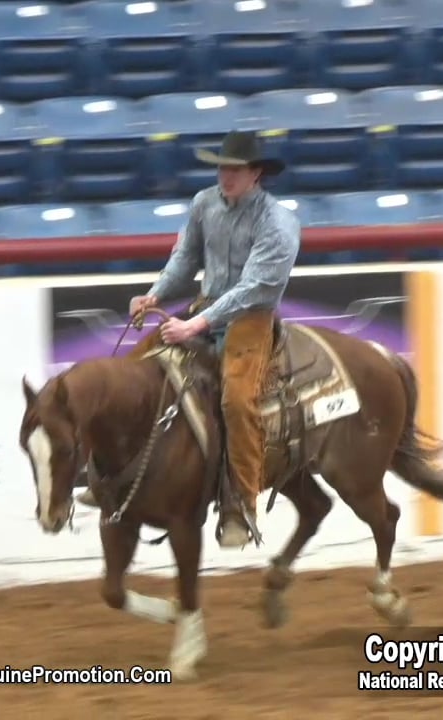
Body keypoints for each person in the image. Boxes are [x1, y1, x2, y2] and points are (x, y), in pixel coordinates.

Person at [76, 130, 302, 550]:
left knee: (237, 399)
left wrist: (195, 326)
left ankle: (241, 506)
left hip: (250, 320)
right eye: (221, 167)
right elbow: (185, 259)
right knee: (134, 368)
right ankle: (105, 477)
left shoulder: (278, 224)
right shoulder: (204, 204)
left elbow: (254, 288)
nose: (225, 176)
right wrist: (156, 294)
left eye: (234, 169)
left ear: (255, 174)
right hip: (205, 307)